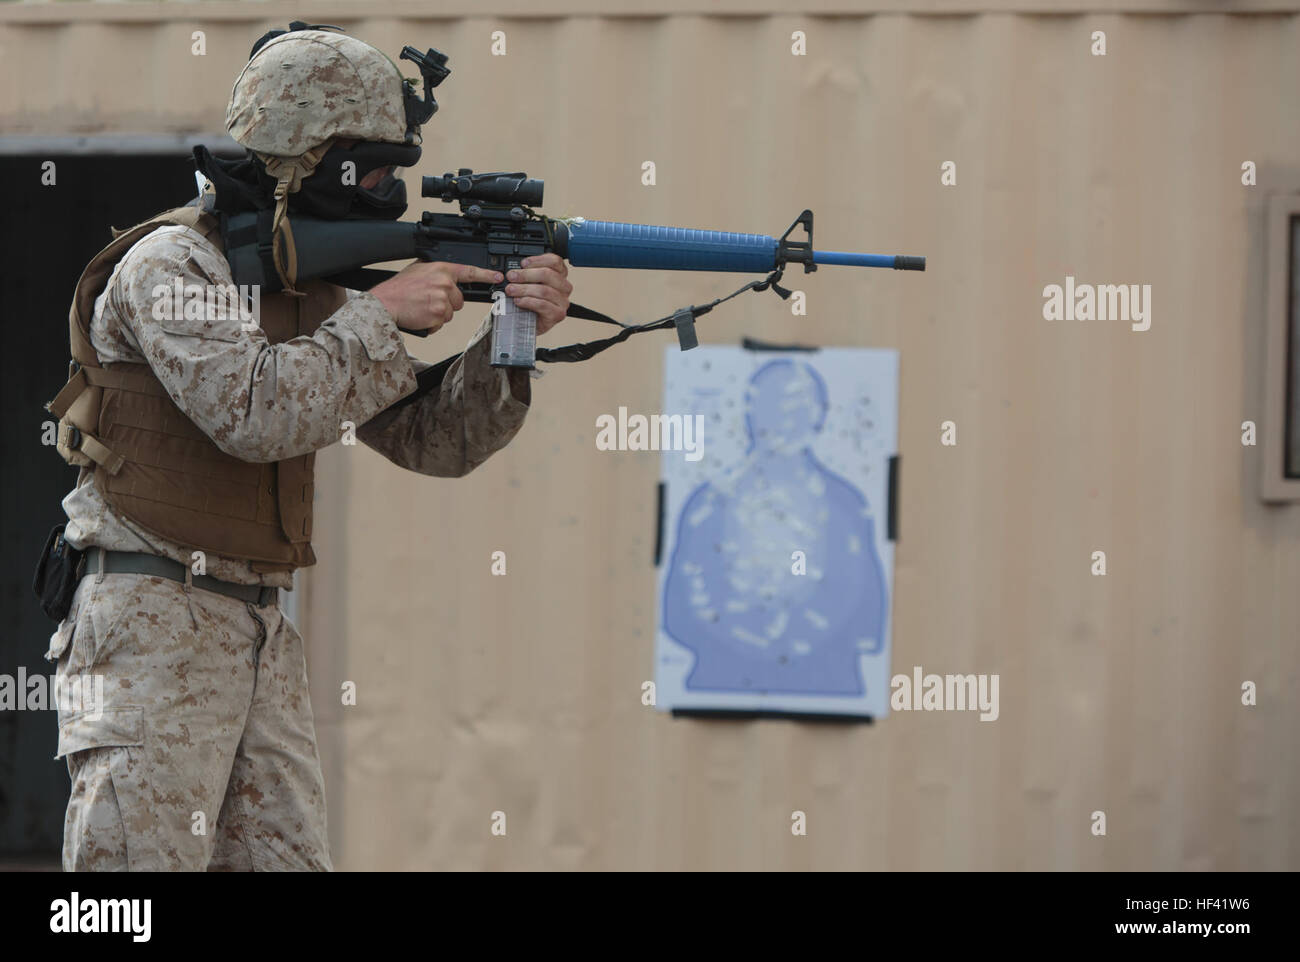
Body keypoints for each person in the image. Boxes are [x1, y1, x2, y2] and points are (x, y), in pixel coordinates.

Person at [39, 23, 572, 871]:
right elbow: (252, 413)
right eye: (374, 169)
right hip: (150, 624)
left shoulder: (311, 293)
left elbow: (434, 442)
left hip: (257, 628)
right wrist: (379, 314)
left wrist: (512, 332)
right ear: (305, 157)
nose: (389, 191)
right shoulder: (171, 265)